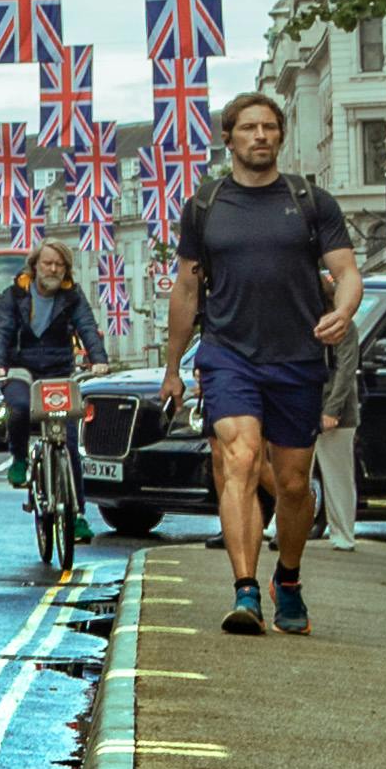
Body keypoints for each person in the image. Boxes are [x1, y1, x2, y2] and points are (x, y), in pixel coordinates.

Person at [160, 92, 358, 637]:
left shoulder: (310, 201)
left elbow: (346, 271)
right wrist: (174, 366)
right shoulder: (205, 205)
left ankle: (287, 579)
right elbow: (185, 287)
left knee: (294, 485)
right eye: (249, 128)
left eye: (269, 127)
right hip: (228, 354)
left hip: (296, 357)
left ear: (280, 135)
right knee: (240, 457)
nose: (261, 136)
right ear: (229, 138)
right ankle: (245, 589)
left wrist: (342, 312)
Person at [0, 233, 101, 476]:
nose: (53, 269)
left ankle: (76, 509)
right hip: (21, 369)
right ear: (35, 265)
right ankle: (19, 458)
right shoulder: (14, 295)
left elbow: (87, 327)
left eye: (59, 265)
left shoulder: (73, 296)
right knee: (19, 408)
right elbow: (1, 331)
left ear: (66, 269)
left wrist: (99, 359)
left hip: (60, 371)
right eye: (48, 263)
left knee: (70, 441)